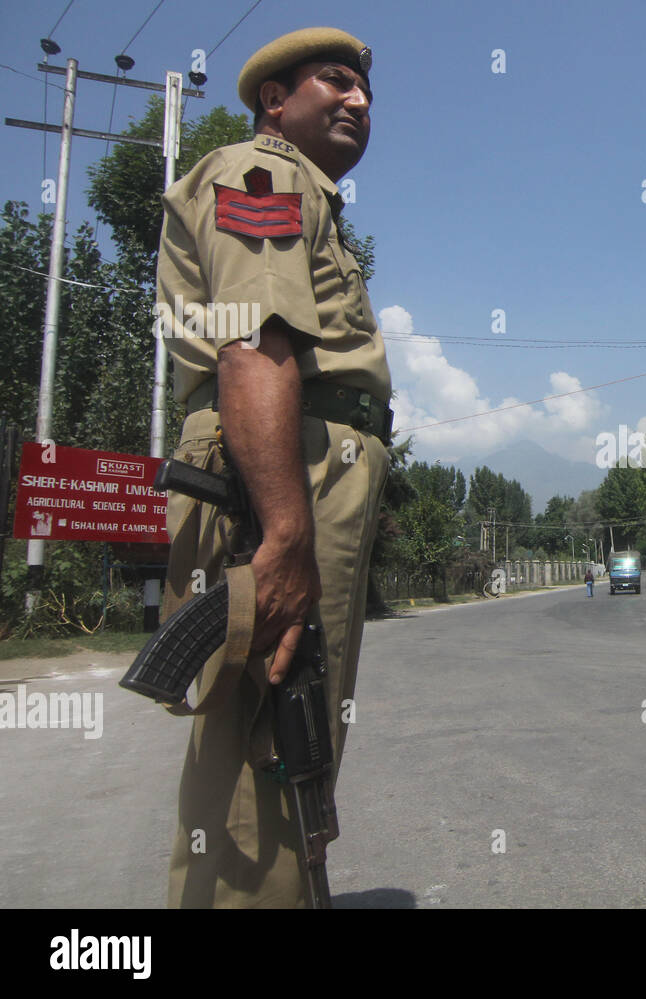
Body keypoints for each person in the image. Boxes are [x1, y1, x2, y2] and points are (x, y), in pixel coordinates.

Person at [155, 27, 390, 907]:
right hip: (283, 475)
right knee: (271, 731)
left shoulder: (305, 193)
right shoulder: (265, 173)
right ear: (274, 102)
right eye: (336, 82)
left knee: (295, 732)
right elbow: (252, 344)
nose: (359, 101)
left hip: (300, 466)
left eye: (366, 91)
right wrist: (287, 532)